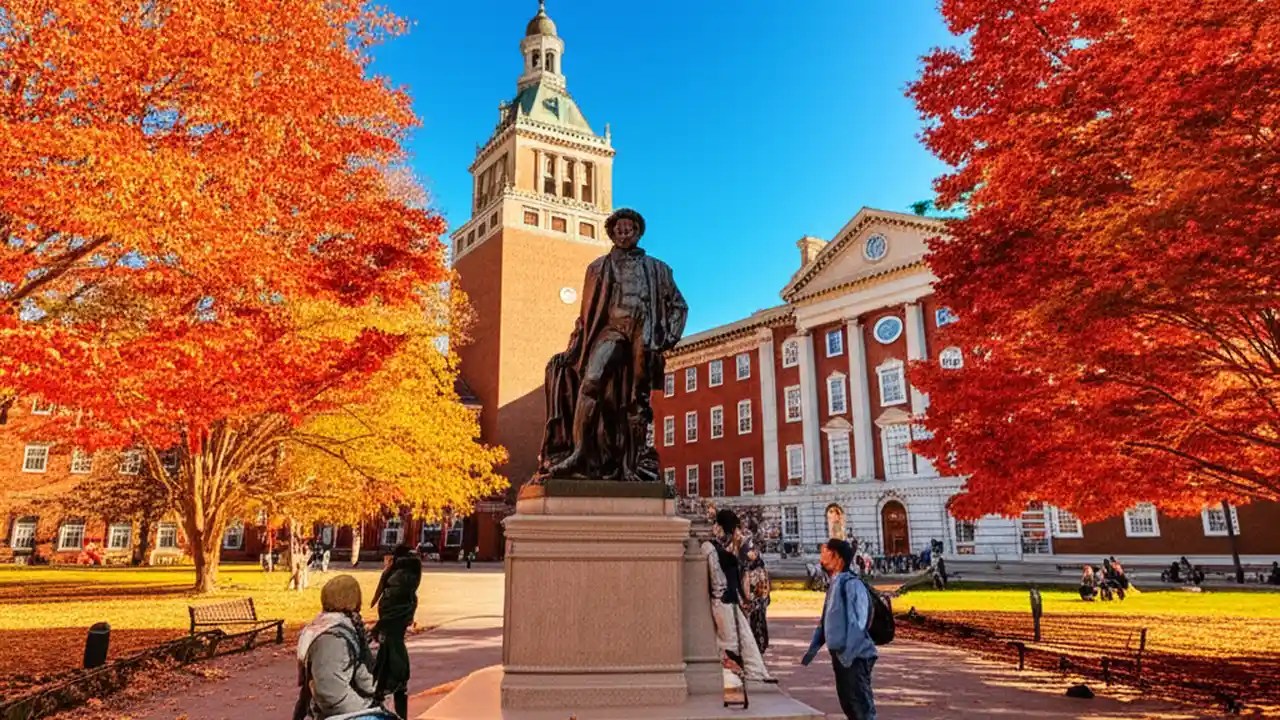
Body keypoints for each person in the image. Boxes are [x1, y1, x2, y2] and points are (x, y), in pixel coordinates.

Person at [537, 208, 688, 482]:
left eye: (629, 228)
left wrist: (668, 337)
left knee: (637, 400)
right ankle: (579, 454)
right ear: (611, 233)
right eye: (619, 229)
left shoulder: (659, 269)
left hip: (644, 333)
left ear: (638, 232)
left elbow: (679, 305)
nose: (624, 232)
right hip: (612, 330)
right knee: (591, 382)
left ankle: (634, 460)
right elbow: (585, 317)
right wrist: (573, 349)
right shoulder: (597, 268)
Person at [294, 575, 392, 720]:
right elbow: (331, 693)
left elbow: (361, 672)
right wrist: (367, 707)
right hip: (339, 713)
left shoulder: (345, 627)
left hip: (344, 707)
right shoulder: (331, 638)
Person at [802, 539, 877, 720]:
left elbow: (859, 622)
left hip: (855, 657)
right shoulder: (835, 583)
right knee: (849, 705)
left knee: (861, 707)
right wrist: (811, 651)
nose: (821, 555)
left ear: (837, 557)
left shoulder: (851, 584)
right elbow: (825, 621)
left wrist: (848, 656)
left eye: (825, 551)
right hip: (841, 656)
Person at [702, 509, 775, 683]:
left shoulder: (742, 544)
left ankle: (746, 676)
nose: (715, 528)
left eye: (716, 525)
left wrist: (746, 601)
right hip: (739, 600)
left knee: (745, 639)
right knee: (743, 640)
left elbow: (754, 576)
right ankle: (746, 674)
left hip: (746, 601)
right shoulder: (729, 544)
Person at [371, 544, 421, 720]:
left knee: (390, 664)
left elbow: (394, 604)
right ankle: (386, 696)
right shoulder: (405, 572)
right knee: (386, 659)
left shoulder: (401, 574)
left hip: (393, 626)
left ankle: (385, 697)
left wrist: (380, 623)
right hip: (393, 625)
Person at [740, 542, 772, 654]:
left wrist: (765, 596)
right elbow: (744, 585)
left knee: (759, 621)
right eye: (750, 550)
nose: (753, 553)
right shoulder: (745, 566)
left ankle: (760, 644)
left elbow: (766, 583)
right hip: (750, 600)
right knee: (751, 624)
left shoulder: (760, 566)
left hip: (759, 600)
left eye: (754, 550)